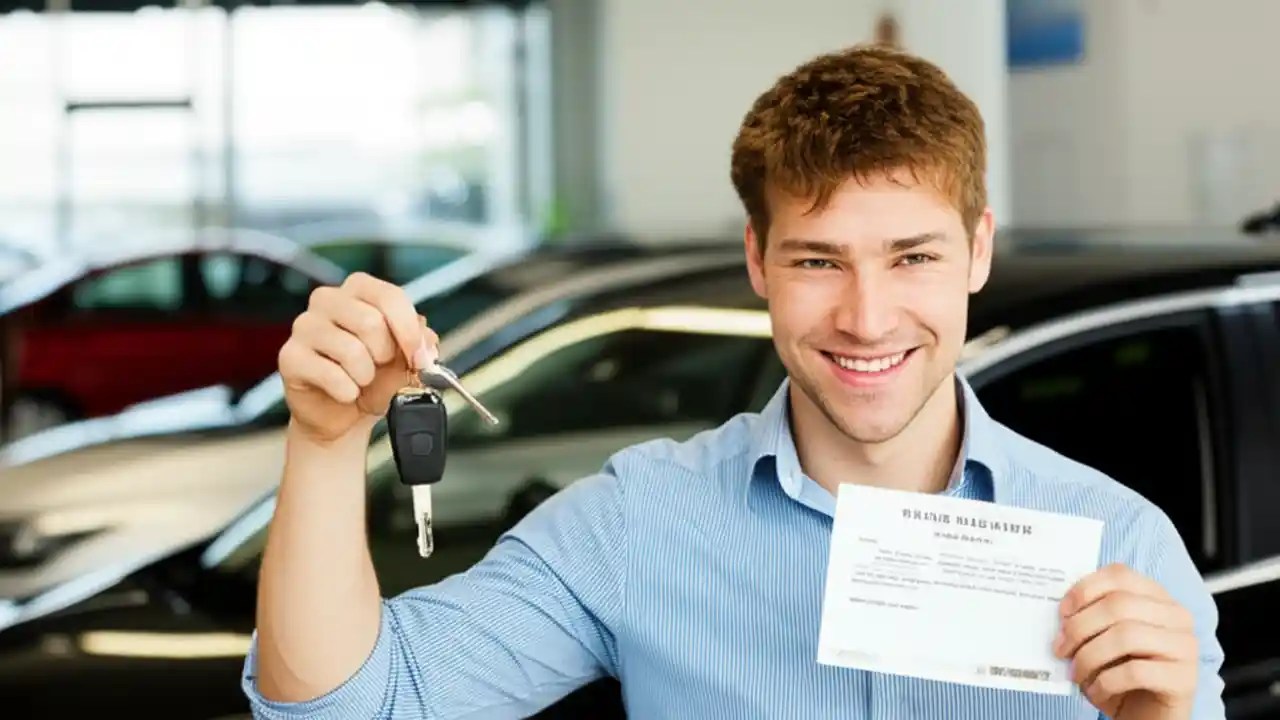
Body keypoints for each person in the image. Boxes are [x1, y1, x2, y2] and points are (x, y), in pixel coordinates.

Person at [243, 45, 1223, 719]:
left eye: (911, 257)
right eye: (816, 262)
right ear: (756, 261)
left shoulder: (1124, 549)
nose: (867, 316)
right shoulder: (638, 525)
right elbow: (353, 706)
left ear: (976, 252)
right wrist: (326, 443)